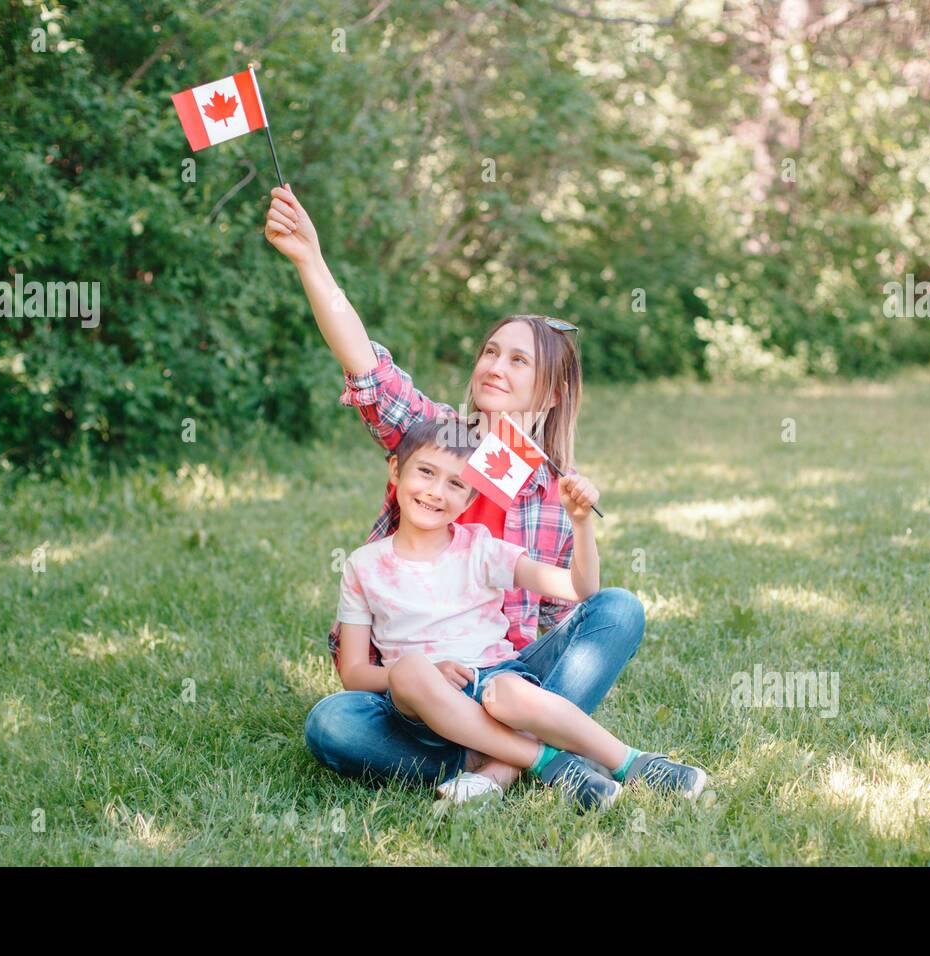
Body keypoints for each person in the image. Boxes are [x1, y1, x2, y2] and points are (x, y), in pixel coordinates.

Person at [264, 184, 649, 803]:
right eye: (491, 351)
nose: (495, 365)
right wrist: (311, 259)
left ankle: (491, 767)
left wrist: (580, 532)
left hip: (505, 680)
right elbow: (365, 366)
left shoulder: (552, 492)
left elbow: (561, 616)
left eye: (519, 361)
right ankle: (525, 760)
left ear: (548, 394)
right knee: (333, 723)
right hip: (421, 689)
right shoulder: (439, 438)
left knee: (618, 609)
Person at [335, 417, 709, 811]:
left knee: (607, 616)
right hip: (421, 709)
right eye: (425, 472)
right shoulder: (363, 566)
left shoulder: (480, 548)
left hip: (496, 684)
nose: (435, 492)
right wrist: (426, 672)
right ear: (396, 470)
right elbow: (354, 673)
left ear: (469, 498)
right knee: (337, 717)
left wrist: (581, 523)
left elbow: (581, 589)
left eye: (456, 484)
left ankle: (632, 763)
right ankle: (545, 758)